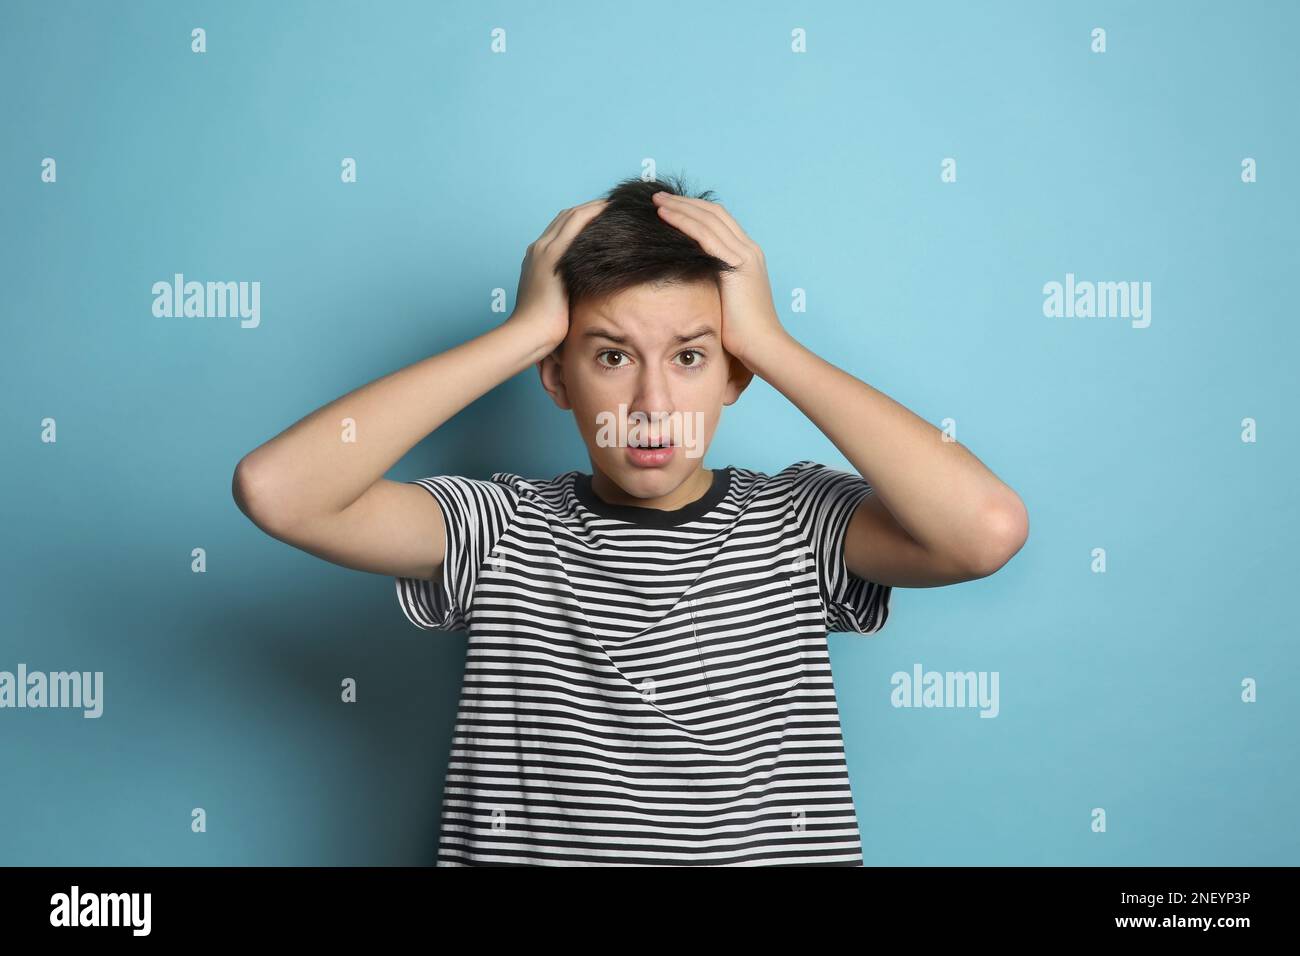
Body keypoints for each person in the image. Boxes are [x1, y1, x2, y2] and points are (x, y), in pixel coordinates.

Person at [232, 173, 1029, 866]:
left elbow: (985, 529)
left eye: (690, 357)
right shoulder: (501, 529)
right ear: (557, 376)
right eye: (612, 356)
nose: (652, 407)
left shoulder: (798, 522)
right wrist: (521, 333)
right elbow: (280, 491)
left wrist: (771, 343)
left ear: (734, 374)